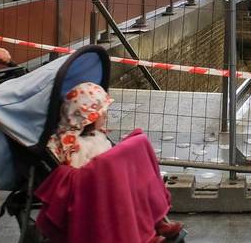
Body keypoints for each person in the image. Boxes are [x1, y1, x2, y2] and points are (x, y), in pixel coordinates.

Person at [36, 82, 183, 243]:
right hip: (95, 188)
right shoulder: (72, 144)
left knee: (137, 175)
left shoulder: (96, 134)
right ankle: (144, 236)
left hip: (110, 180)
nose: (105, 116)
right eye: (102, 113)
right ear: (87, 118)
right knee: (125, 187)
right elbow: (82, 174)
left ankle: (157, 221)